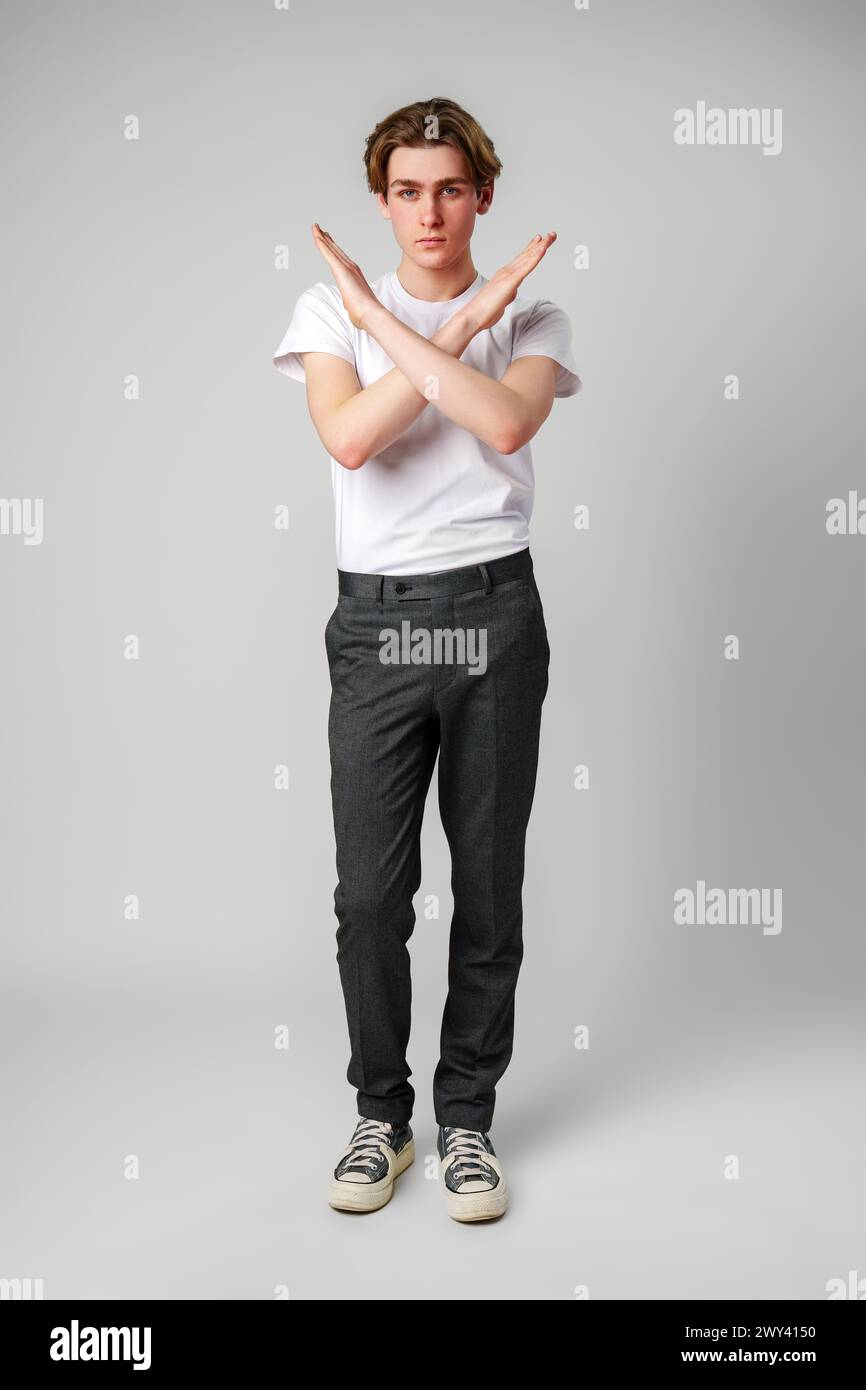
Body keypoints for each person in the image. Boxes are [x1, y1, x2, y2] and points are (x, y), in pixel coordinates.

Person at [271, 96, 582, 1222]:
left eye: (449, 187)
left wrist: (449, 327)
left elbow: (502, 426)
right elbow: (352, 437)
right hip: (380, 627)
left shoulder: (534, 314)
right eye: (406, 190)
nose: (428, 212)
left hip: (494, 616)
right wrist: (441, 329)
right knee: (370, 895)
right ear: (383, 199)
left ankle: (466, 1124)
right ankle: (379, 1113)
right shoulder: (329, 305)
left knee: (487, 887)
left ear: (481, 195)